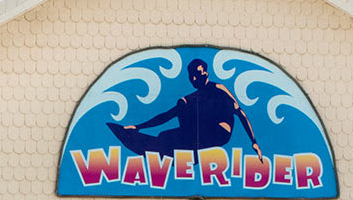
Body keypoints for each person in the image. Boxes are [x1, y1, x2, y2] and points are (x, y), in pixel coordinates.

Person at [108, 58, 263, 158]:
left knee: (183, 106)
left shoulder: (218, 89)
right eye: (191, 76)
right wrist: (138, 127)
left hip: (220, 133)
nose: (194, 79)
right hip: (201, 135)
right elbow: (167, 115)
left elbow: (240, 113)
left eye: (198, 74)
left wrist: (254, 142)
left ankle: (185, 149)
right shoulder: (191, 98)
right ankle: (177, 149)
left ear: (206, 73)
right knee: (165, 134)